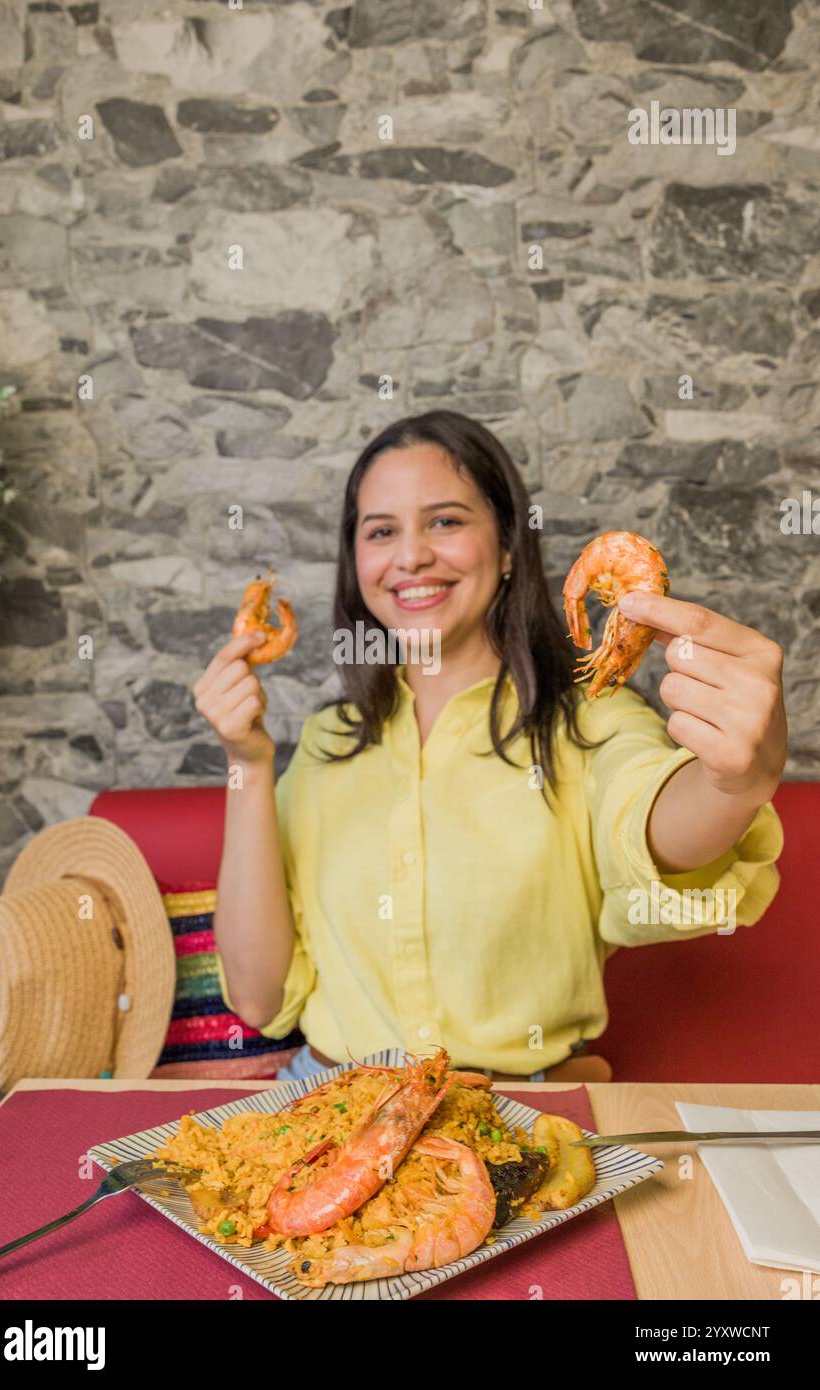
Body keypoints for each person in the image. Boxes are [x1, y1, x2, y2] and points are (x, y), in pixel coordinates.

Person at [193, 411, 786, 1084]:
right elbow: (259, 997)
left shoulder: (591, 718)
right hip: (329, 1101)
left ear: (508, 547)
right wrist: (248, 762)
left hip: (524, 1116)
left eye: (445, 521)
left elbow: (647, 822)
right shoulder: (330, 742)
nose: (411, 555)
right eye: (381, 530)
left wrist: (733, 784)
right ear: (356, 562)